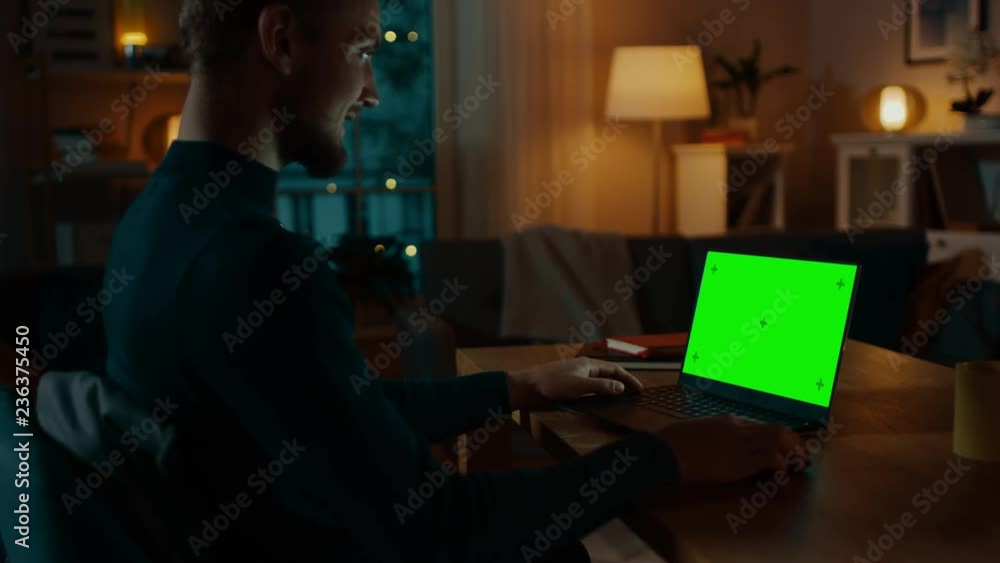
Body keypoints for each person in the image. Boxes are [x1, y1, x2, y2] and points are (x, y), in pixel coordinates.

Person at [100, 1, 804, 561]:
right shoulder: (258, 266)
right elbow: (439, 525)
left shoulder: (152, 226)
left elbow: (337, 414)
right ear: (281, 38)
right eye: (364, 47)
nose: (372, 90)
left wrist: (512, 387)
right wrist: (664, 455)